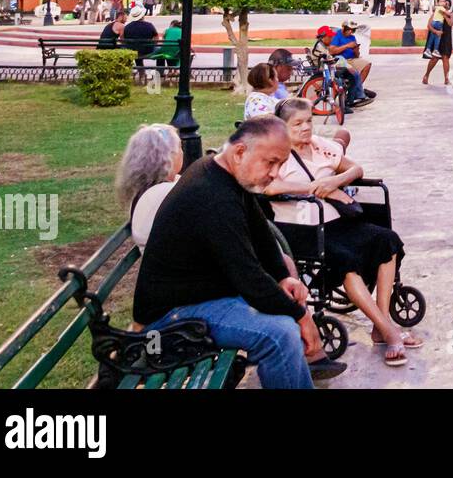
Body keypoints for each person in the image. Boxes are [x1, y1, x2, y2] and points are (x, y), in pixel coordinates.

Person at [133, 116, 324, 389]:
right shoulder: (212, 196)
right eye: (271, 162)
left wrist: (283, 276)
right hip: (171, 315)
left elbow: (261, 234)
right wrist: (301, 316)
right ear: (240, 152)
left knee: (284, 315)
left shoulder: (223, 173)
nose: (275, 173)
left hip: (203, 296)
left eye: (281, 164)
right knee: (280, 335)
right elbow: (248, 277)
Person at [268, 98, 421, 366]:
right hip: (302, 230)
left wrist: (335, 180)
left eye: (308, 121)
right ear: (282, 127)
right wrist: (313, 188)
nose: (305, 128)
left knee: (387, 241)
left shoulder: (319, 146)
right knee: (345, 259)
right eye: (297, 124)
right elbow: (268, 189)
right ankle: (389, 330)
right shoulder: (276, 154)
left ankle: (380, 322)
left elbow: (355, 168)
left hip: (337, 222)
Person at [116, 124, 183, 252]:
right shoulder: (165, 194)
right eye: (180, 147)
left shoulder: (147, 192)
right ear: (168, 156)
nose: (182, 152)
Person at [313, 26, 372, 109]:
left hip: (330, 68)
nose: (331, 39)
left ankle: (356, 95)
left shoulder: (323, 45)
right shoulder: (320, 47)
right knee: (353, 74)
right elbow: (329, 60)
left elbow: (330, 59)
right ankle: (355, 97)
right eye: (330, 37)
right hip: (327, 72)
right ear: (323, 37)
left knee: (354, 73)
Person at [422, 0, 453, 85]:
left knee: (445, 58)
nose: (446, 4)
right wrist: (436, 31)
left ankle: (446, 79)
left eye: (447, 4)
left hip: (446, 39)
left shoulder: (450, 14)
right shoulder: (436, 13)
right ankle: (426, 75)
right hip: (437, 38)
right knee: (434, 58)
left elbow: (450, 23)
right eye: (444, 2)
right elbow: (429, 25)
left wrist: (445, 15)